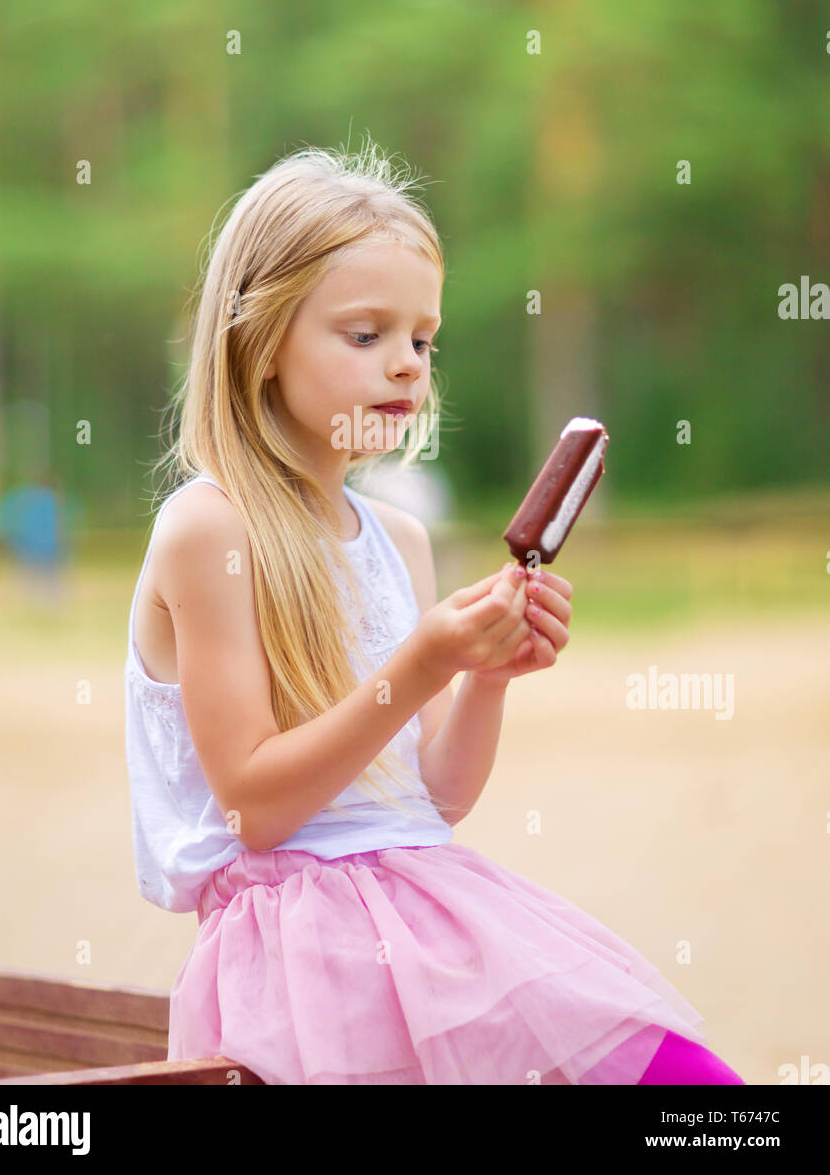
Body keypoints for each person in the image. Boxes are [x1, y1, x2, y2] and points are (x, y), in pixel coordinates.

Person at [124, 136, 745, 1085]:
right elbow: (256, 805)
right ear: (258, 343)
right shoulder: (210, 530)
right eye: (365, 335)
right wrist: (420, 660)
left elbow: (434, 798)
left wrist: (483, 676)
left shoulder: (399, 539)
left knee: (680, 1079)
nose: (407, 366)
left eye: (422, 339)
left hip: (427, 906)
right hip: (300, 957)